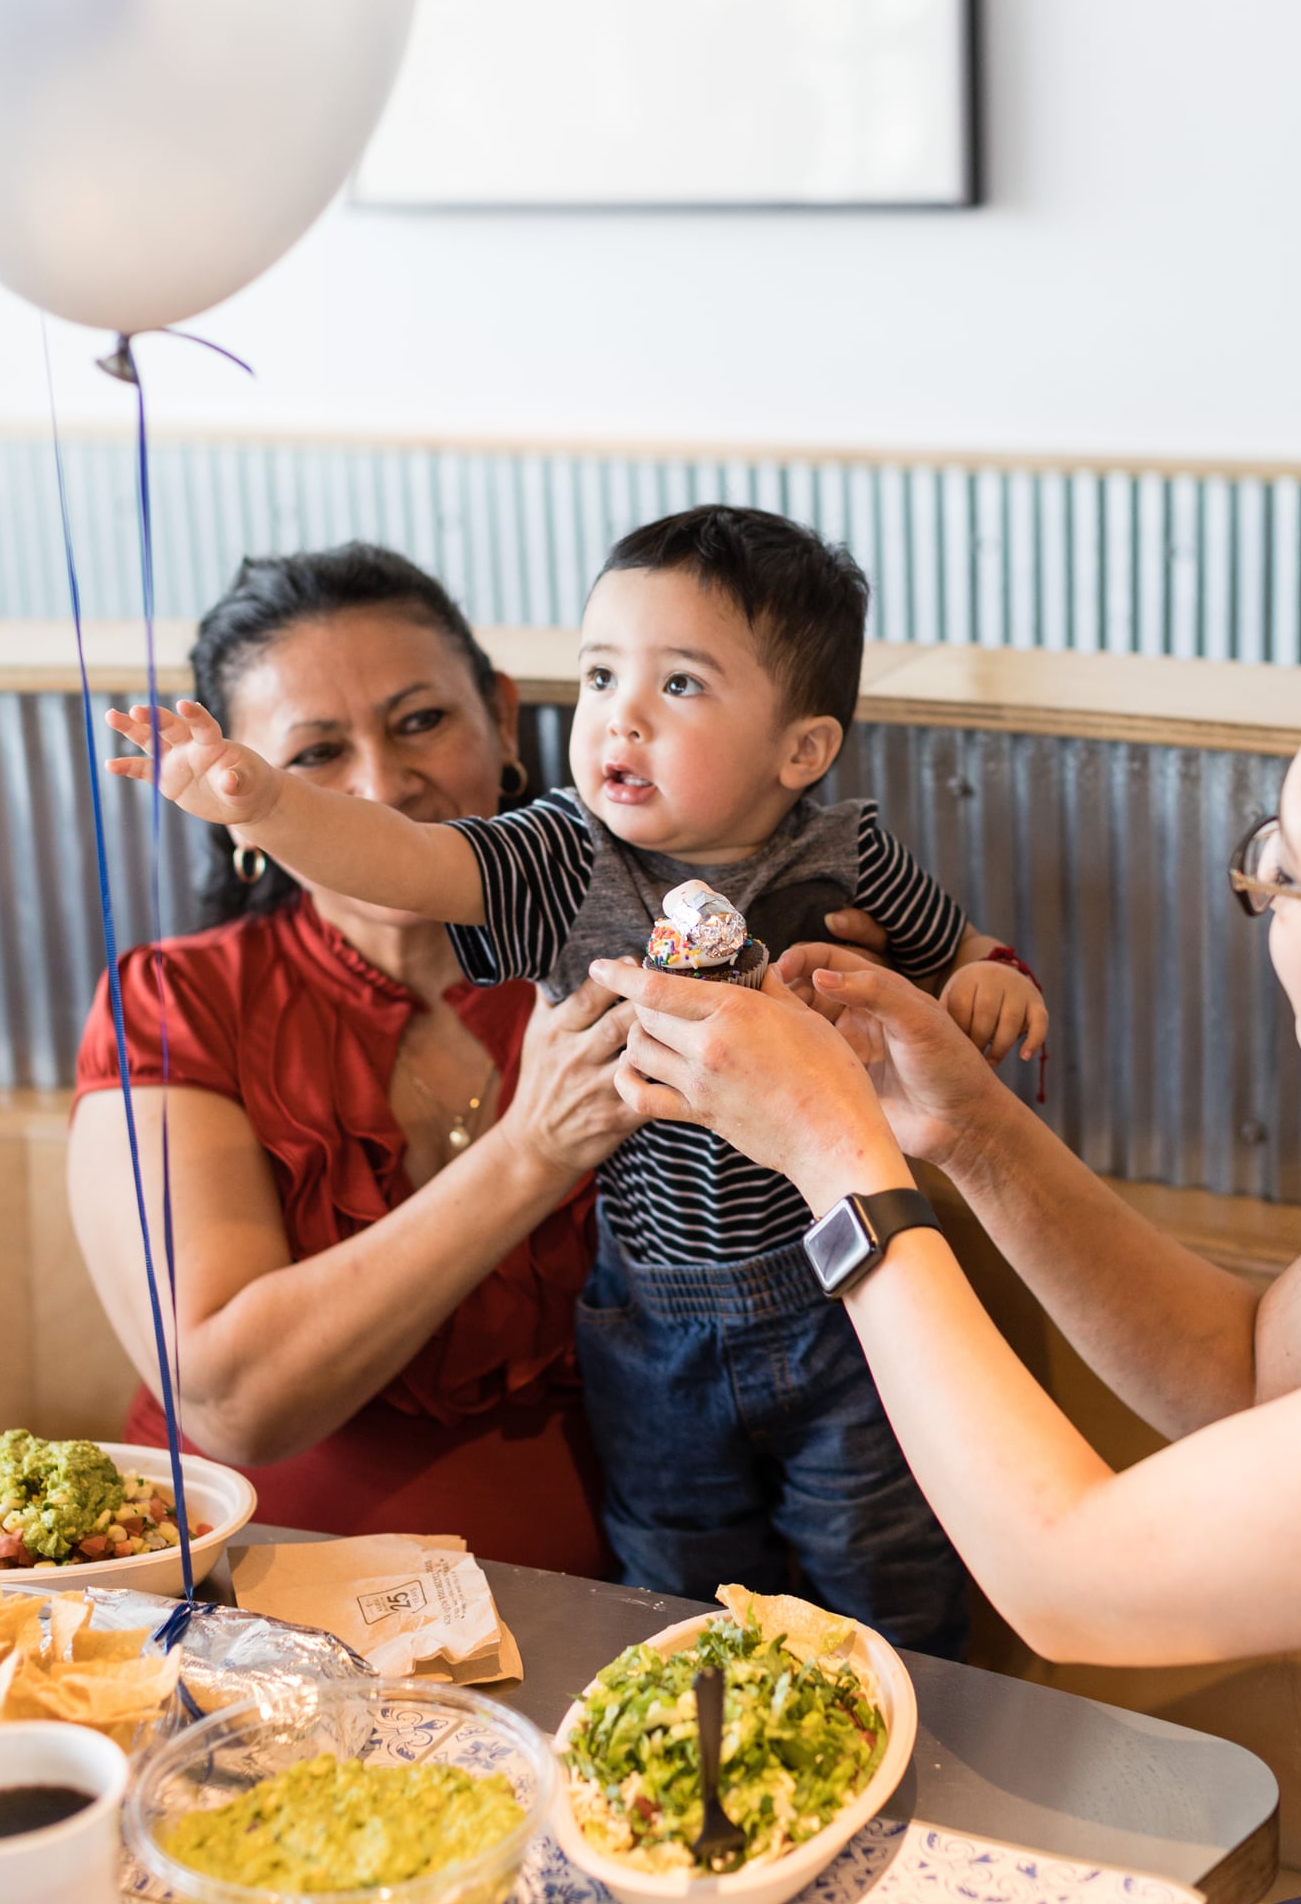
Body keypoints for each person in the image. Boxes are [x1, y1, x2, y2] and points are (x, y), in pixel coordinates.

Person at [587, 620, 1301, 1904]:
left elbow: (1071, 1580)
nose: (1259, 893)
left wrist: (839, 1166)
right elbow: (1250, 1372)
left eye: (1287, 869)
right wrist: (965, 1127)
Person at [103, 506, 1049, 1658]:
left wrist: (963, 992)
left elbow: (954, 960)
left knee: (888, 1574)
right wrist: (259, 799)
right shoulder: (557, 868)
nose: (380, 786)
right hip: (617, 1372)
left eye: (680, 685)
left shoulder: (837, 864)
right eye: (601, 677)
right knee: (687, 1598)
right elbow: (404, 855)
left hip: (822, 1310)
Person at [69, 542, 641, 1576]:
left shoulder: (623, 964)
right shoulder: (176, 1002)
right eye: (315, 756)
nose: (382, 787)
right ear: (231, 796)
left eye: (421, 722)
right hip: (250, 1603)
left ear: (503, 719)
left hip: (621, 1605)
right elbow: (232, 1400)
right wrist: (532, 1152)